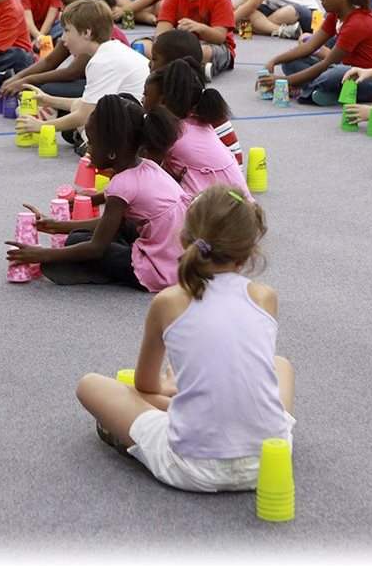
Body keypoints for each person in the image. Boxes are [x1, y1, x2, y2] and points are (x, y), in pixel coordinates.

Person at [74, 185, 295, 491]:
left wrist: (167, 388)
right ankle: (205, 409)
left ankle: (184, 406)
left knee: (90, 385)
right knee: (281, 365)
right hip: (270, 461)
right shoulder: (264, 297)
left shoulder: (168, 301)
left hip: (192, 467)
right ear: (248, 251)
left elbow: (145, 384)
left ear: (185, 239)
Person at [5, 93, 189, 291]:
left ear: (111, 150)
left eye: (91, 142)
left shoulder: (121, 186)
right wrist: (56, 226)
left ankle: (100, 271)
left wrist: (41, 255)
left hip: (161, 270)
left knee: (74, 246)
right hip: (183, 259)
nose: (87, 147)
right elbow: (112, 223)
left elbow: (96, 248)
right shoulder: (148, 166)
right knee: (79, 237)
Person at [14, 0, 147, 142]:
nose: (63, 39)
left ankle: (91, 144)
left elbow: (84, 115)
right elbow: (85, 104)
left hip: (138, 130)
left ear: (86, 32)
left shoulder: (101, 62)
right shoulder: (112, 49)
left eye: (67, 31)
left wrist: (41, 126)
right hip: (139, 120)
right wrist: (49, 100)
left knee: (84, 124)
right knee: (78, 109)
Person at [260, 0, 372, 105]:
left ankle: (315, 90)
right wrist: (273, 61)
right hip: (349, 72)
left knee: (336, 73)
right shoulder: (335, 14)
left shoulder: (357, 22)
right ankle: (320, 91)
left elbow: (327, 63)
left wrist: (285, 81)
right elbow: (310, 46)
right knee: (291, 62)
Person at [0, 0, 131, 102]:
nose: (62, 9)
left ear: (86, 3)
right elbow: (50, 61)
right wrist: (18, 78)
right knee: (38, 86)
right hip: (93, 81)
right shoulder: (75, 26)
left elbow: (73, 72)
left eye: (67, 3)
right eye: (62, 4)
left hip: (115, 87)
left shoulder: (94, 29)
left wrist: (26, 80)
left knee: (45, 89)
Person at [142, 59, 251, 199]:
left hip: (218, 208)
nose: (142, 100)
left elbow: (146, 174)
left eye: (146, 95)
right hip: (243, 205)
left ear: (162, 102)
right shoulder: (198, 123)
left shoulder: (170, 132)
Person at [151, 28, 242, 165]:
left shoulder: (180, 108)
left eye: (154, 58)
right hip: (230, 173)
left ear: (175, 67)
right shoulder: (200, 96)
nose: (149, 64)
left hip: (211, 175)